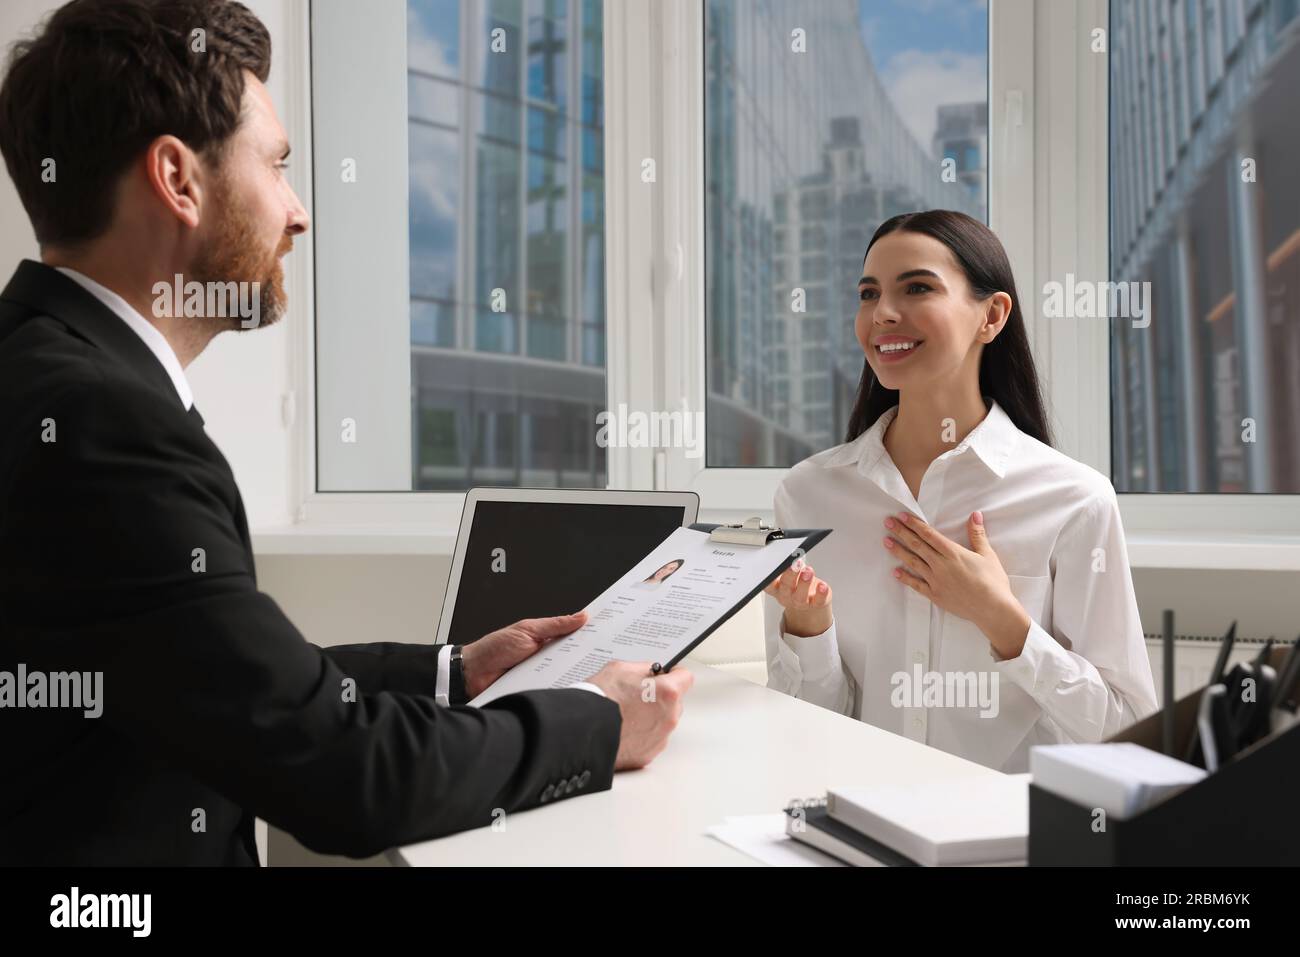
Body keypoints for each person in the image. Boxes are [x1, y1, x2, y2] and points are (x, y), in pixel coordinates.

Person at [0, 0, 692, 866]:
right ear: (178, 180)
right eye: (279, 165)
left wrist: (457, 672)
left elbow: (215, 682)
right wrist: (595, 722)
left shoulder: (46, 374)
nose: (297, 213)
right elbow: (340, 774)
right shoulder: (109, 426)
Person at [763, 210, 1157, 773]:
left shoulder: (1073, 500)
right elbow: (807, 730)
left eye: (917, 287)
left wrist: (1003, 621)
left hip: (1005, 842)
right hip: (856, 822)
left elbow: (1129, 734)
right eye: (868, 294)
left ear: (991, 316)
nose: (883, 314)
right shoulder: (808, 496)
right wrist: (808, 627)